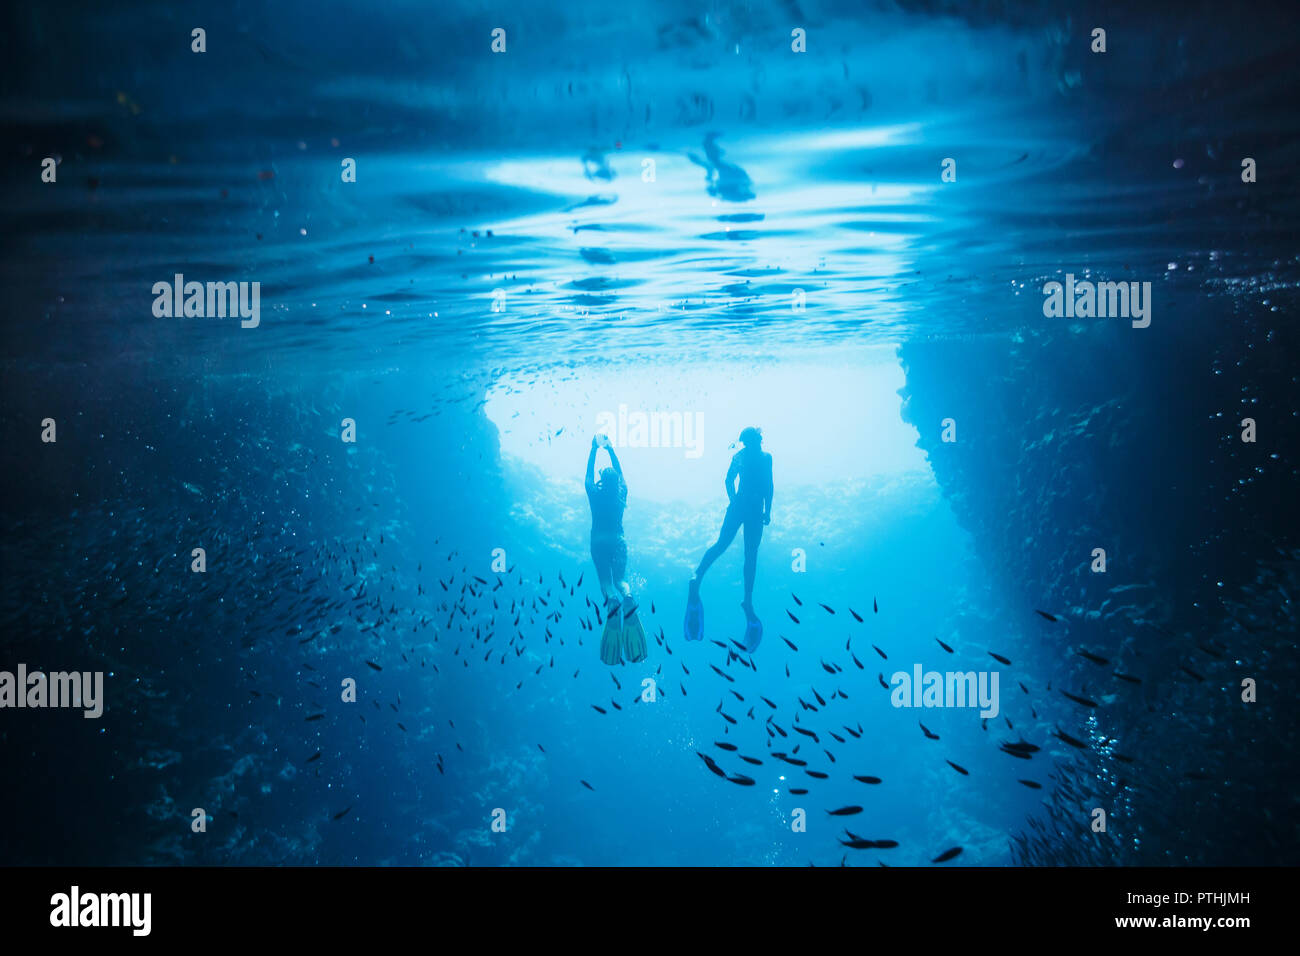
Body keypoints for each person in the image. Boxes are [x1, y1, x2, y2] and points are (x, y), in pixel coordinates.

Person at [685, 426, 773, 650]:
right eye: (752, 441)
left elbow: (729, 481)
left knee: (724, 546)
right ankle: (746, 600)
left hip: (743, 506)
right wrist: (765, 510)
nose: (754, 444)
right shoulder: (762, 458)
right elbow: (767, 487)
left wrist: (736, 501)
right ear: (755, 440)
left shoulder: (742, 456)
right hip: (752, 507)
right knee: (748, 554)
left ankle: (698, 577)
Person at [585, 434, 647, 665]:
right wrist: (610, 449)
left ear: (602, 480)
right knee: (622, 579)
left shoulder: (594, 493)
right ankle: (628, 596)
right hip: (618, 540)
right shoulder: (622, 493)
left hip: (599, 540)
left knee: (606, 582)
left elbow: (588, 475)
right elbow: (620, 472)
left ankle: (612, 600)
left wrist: (594, 449)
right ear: (616, 483)